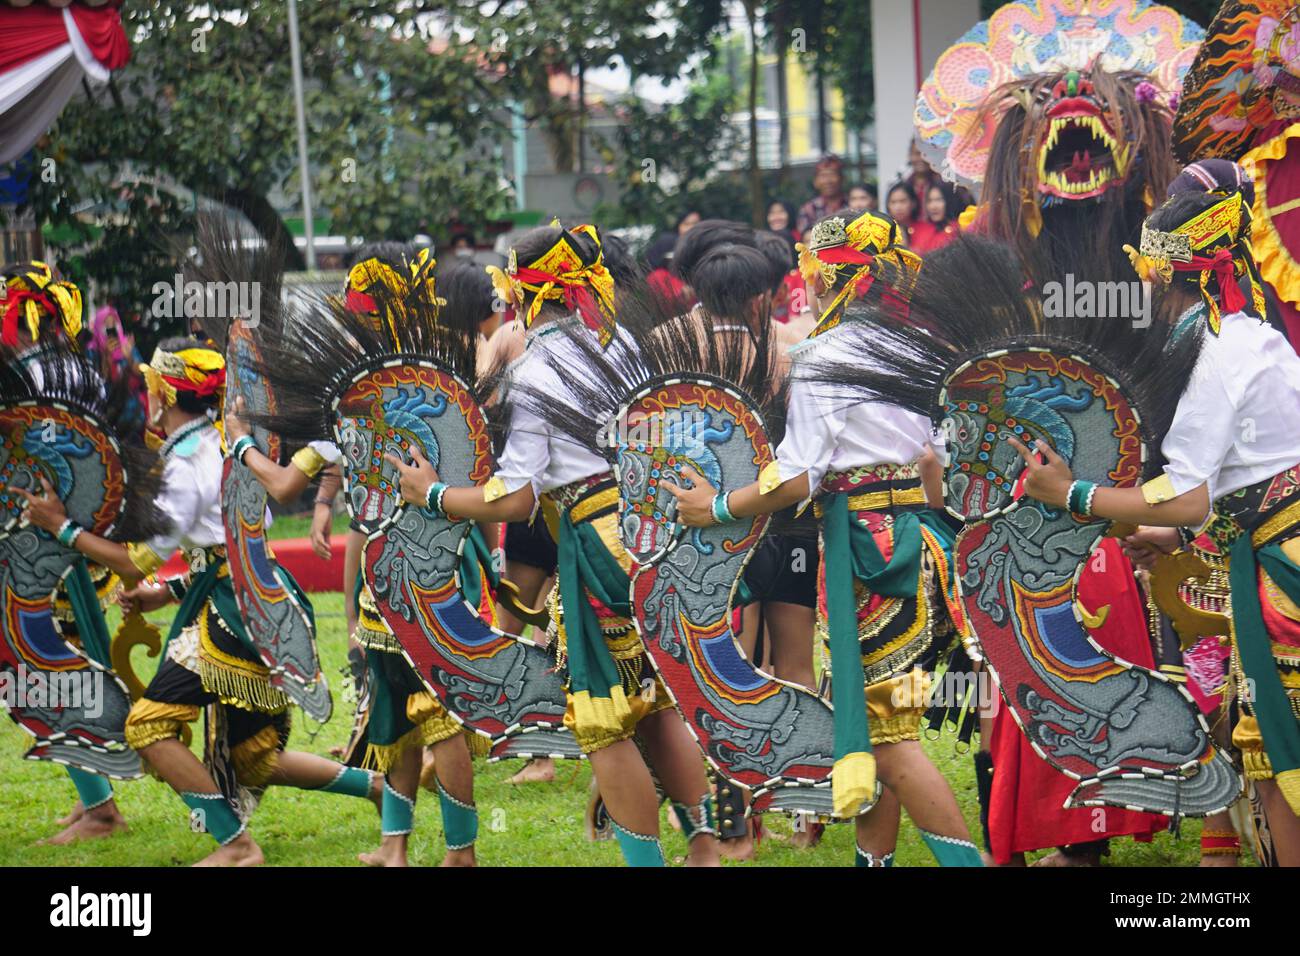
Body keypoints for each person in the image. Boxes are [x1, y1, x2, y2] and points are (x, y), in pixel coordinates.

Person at [389, 223, 722, 866]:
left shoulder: (536, 367)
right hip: (657, 527)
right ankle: (705, 851)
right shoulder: (622, 341)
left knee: (602, 721)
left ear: (524, 290)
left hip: (597, 545)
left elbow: (515, 499)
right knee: (654, 705)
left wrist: (431, 493)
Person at [16, 337, 382, 866]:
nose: (147, 398)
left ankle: (236, 848)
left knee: (148, 725)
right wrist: (168, 591)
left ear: (164, 394)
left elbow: (131, 560)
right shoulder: (220, 445)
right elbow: (225, 548)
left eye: (150, 388)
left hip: (241, 611)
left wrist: (62, 527)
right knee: (253, 759)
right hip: (256, 596)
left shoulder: (188, 464)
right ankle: (376, 787)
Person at [1015, 188, 1300, 867]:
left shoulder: (1211, 350)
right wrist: (1174, 537)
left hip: (1282, 565)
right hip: (1267, 545)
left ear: (1167, 272)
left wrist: (1075, 493)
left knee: (1278, 740)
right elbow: (1245, 479)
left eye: (1144, 267)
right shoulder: (1253, 334)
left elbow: (1184, 493)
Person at [3, 261, 135, 845]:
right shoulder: (86, 369)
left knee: (47, 671)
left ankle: (102, 809)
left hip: (40, 542)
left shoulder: (24, 378)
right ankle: (95, 800)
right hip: (80, 537)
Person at [796, 155, 847, 234]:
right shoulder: (809, 210)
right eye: (823, 176)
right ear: (815, 182)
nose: (828, 181)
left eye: (832, 174)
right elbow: (806, 239)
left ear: (842, 178)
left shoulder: (853, 204)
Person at [910, 182, 960, 255]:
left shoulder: (959, 229)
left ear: (948, 200)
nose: (933, 206)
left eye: (939, 200)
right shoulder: (919, 230)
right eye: (929, 201)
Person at [885, 182, 920, 247]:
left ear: (913, 203)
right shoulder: (883, 232)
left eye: (903, 201)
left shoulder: (925, 230)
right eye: (893, 202)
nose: (898, 207)